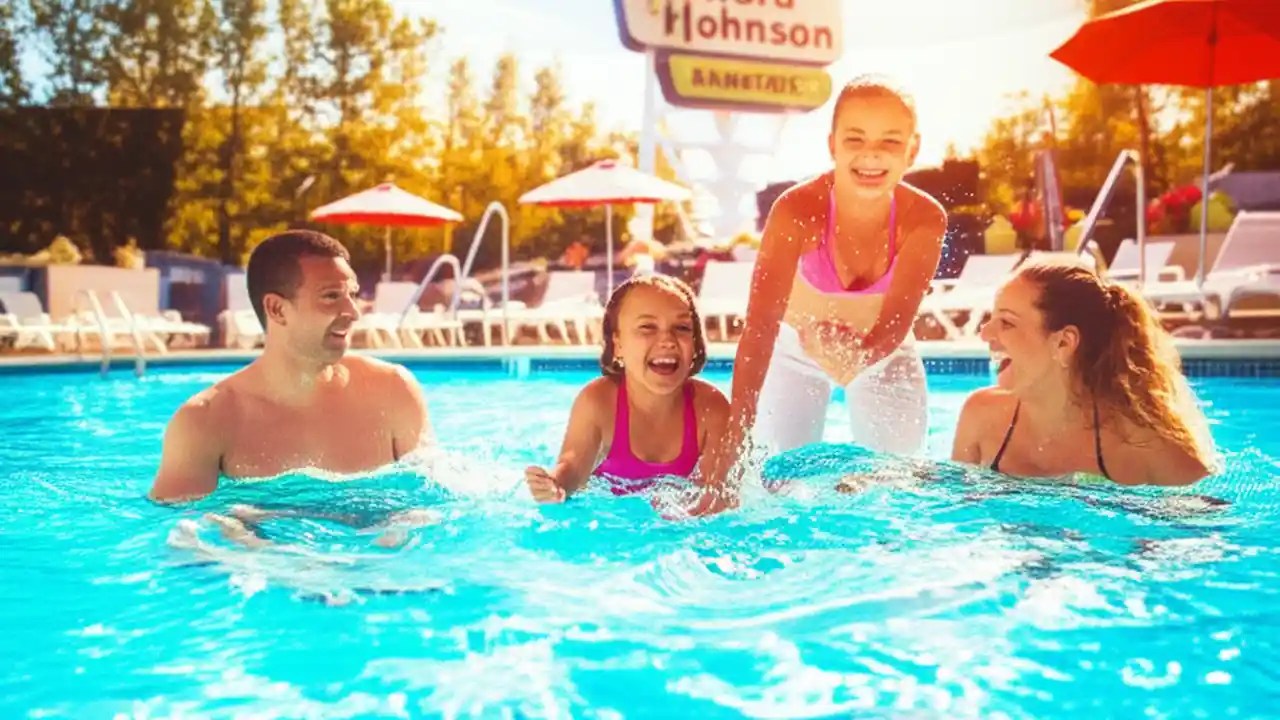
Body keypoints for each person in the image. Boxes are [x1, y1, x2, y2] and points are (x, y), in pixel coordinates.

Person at [702, 75, 948, 499]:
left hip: (884, 353)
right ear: (832, 144)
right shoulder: (797, 211)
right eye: (856, 139)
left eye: (890, 141)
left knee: (898, 486)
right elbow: (760, 326)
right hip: (793, 353)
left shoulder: (924, 218)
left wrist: (854, 357)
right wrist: (736, 429)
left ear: (913, 148)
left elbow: (895, 323)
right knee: (771, 484)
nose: (871, 154)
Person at [149, 230, 434, 503]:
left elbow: (432, 501)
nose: (353, 312)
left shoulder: (393, 391)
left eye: (353, 295)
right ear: (276, 309)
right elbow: (181, 531)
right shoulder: (205, 423)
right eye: (331, 296)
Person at [951, 259, 1215, 485]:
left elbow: (1209, 524)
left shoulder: (1143, 444)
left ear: (1064, 343)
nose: (985, 333)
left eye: (1006, 323)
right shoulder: (980, 416)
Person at [525, 275, 730, 501]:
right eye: (647, 327)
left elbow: (717, 498)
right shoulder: (599, 402)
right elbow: (573, 466)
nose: (668, 340)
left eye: (681, 327)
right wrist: (555, 485)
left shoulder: (711, 408)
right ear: (618, 344)